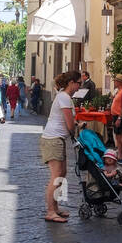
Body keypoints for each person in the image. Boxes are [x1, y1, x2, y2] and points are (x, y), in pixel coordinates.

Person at [39, 69, 80, 224]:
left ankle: (55, 208)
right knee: (56, 176)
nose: (78, 87)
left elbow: (68, 121)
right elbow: (69, 123)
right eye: (78, 83)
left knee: (61, 174)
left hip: (57, 138)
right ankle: (50, 211)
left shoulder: (64, 97)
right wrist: (75, 129)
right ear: (71, 83)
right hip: (53, 139)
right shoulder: (64, 97)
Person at [109, 74, 122, 156]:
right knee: (118, 137)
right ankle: (120, 154)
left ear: (119, 82)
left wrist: (119, 118)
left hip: (119, 116)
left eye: (115, 81)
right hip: (116, 115)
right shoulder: (118, 90)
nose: (114, 83)